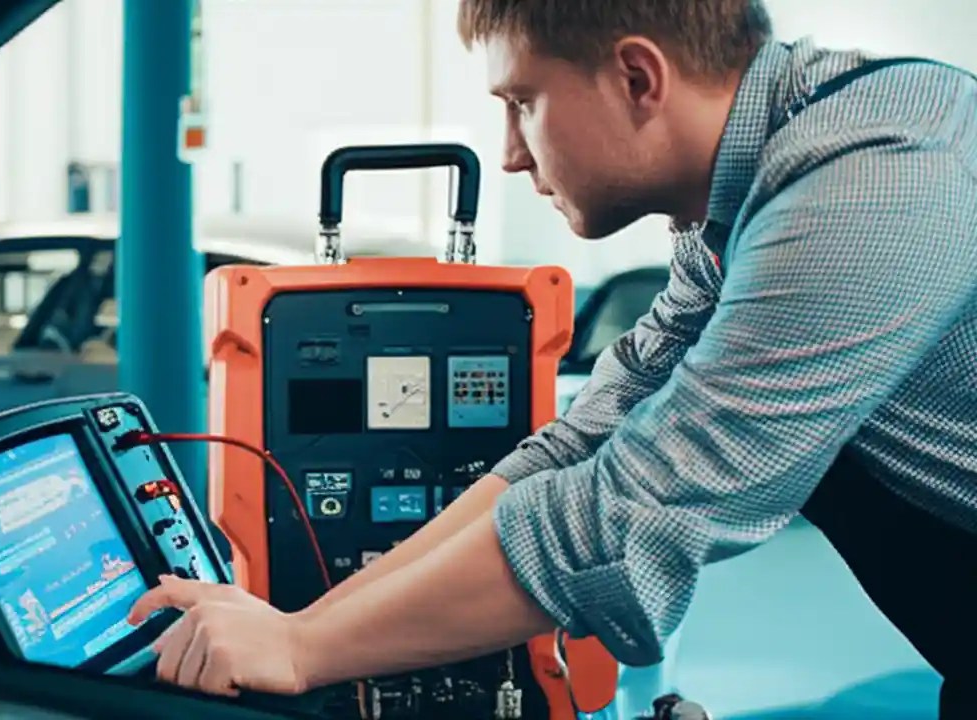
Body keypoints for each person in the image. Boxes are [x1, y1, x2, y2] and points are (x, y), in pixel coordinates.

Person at [127, 0, 977, 716]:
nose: (509, 151)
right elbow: (584, 442)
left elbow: (634, 509)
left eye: (522, 101)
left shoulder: (875, 184)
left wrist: (306, 647)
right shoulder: (744, 200)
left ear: (637, 78)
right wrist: (305, 621)